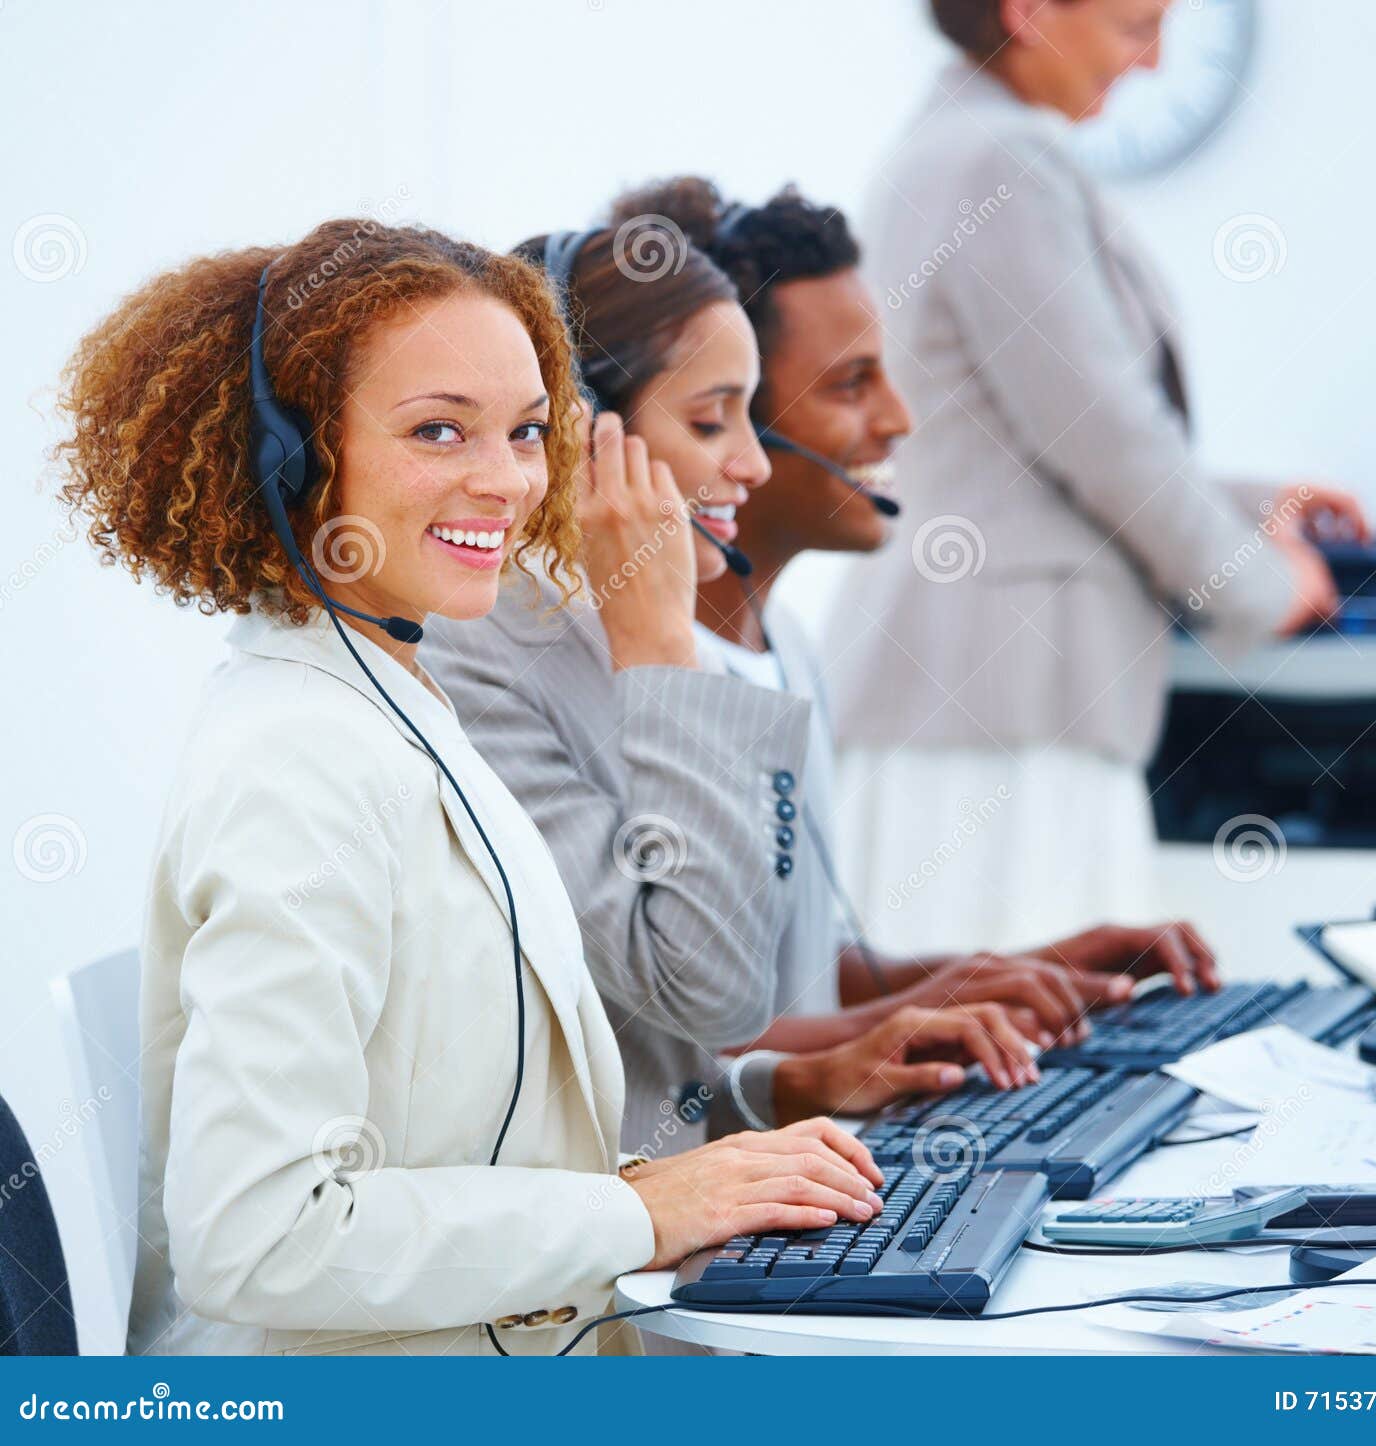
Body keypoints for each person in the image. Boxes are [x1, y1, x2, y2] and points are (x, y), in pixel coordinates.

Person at [56, 219, 883, 1357]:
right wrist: (641, 1213)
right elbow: (255, 1233)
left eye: (529, 431)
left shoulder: (395, 702)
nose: (503, 480)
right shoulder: (298, 764)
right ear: (288, 457)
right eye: (439, 430)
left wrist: (730, 1139)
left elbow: (479, 1131)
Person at [426, 223, 1061, 1157]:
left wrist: (831, 1061)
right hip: (604, 1246)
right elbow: (712, 996)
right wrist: (656, 642)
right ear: (579, 431)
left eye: (748, 412)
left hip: (714, 1181)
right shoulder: (483, 663)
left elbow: (714, 1023)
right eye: (712, 417)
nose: (754, 464)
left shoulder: (711, 641)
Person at [820, 0, 1373, 954]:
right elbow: (1104, 435)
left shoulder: (956, 149)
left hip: (978, 688)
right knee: (1013, 1063)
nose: (1154, 62)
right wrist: (1263, 584)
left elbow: (1028, 438)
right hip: (1002, 704)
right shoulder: (999, 163)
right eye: (1133, 25)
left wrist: (1251, 507)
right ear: (1030, 14)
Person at [608, 176, 1222, 1036]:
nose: (899, 419)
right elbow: (675, 1044)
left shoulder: (785, 642)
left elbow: (802, 983)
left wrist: (1009, 974)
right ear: (729, 409)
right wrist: (903, 1025)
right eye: (851, 385)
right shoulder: (617, 671)